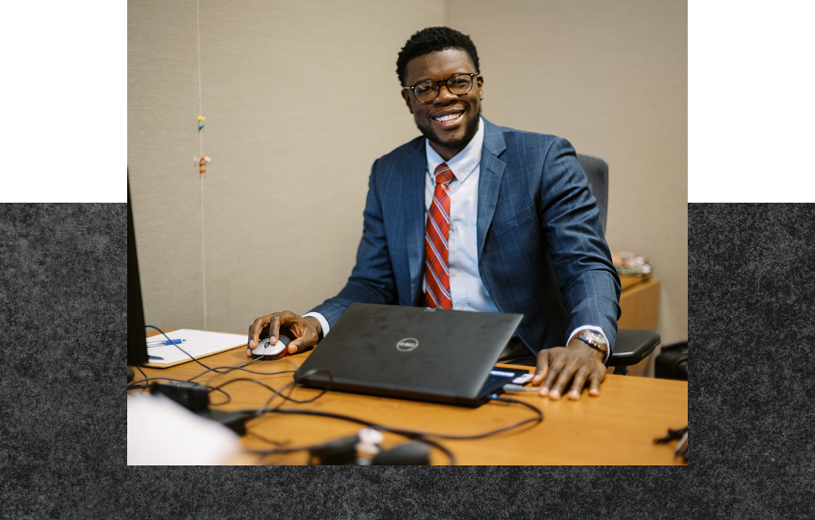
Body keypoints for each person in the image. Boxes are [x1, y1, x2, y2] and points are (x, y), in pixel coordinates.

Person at [248, 27, 621, 401]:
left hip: (524, 363)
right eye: (425, 88)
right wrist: (313, 322)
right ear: (408, 99)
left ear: (479, 86)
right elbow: (372, 284)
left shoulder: (542, 159)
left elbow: (585, 265)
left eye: (458, 82)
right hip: (422, 361)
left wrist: (587, 343)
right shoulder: (389, 172)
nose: (444, 97)